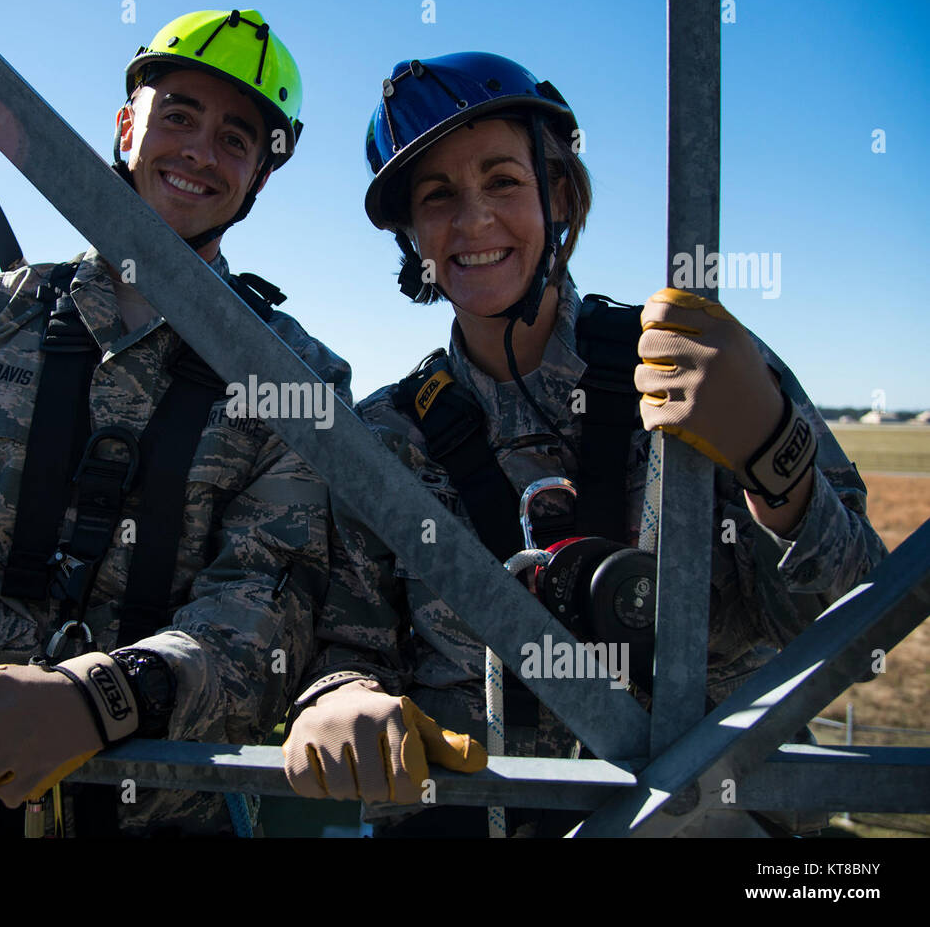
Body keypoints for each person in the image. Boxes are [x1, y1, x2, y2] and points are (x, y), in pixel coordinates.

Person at [282, 52, 888, 836]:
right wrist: (341, 695)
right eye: (437, 198)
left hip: (709, 814)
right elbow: (349, 635)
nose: (472, 221)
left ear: (558, 191)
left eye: (503, 180)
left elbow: (855, 617)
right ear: (411, 239)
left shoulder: (693, 361)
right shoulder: (388, 437)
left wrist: (776, 456)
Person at [0, 9, 351, 838]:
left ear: (260, 177)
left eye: (237, 138)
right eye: (179, 116)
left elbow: (269, 606)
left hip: (161, 813)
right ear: (127, 126)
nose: (201, 150)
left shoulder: (295, 377)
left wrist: (107, 696)